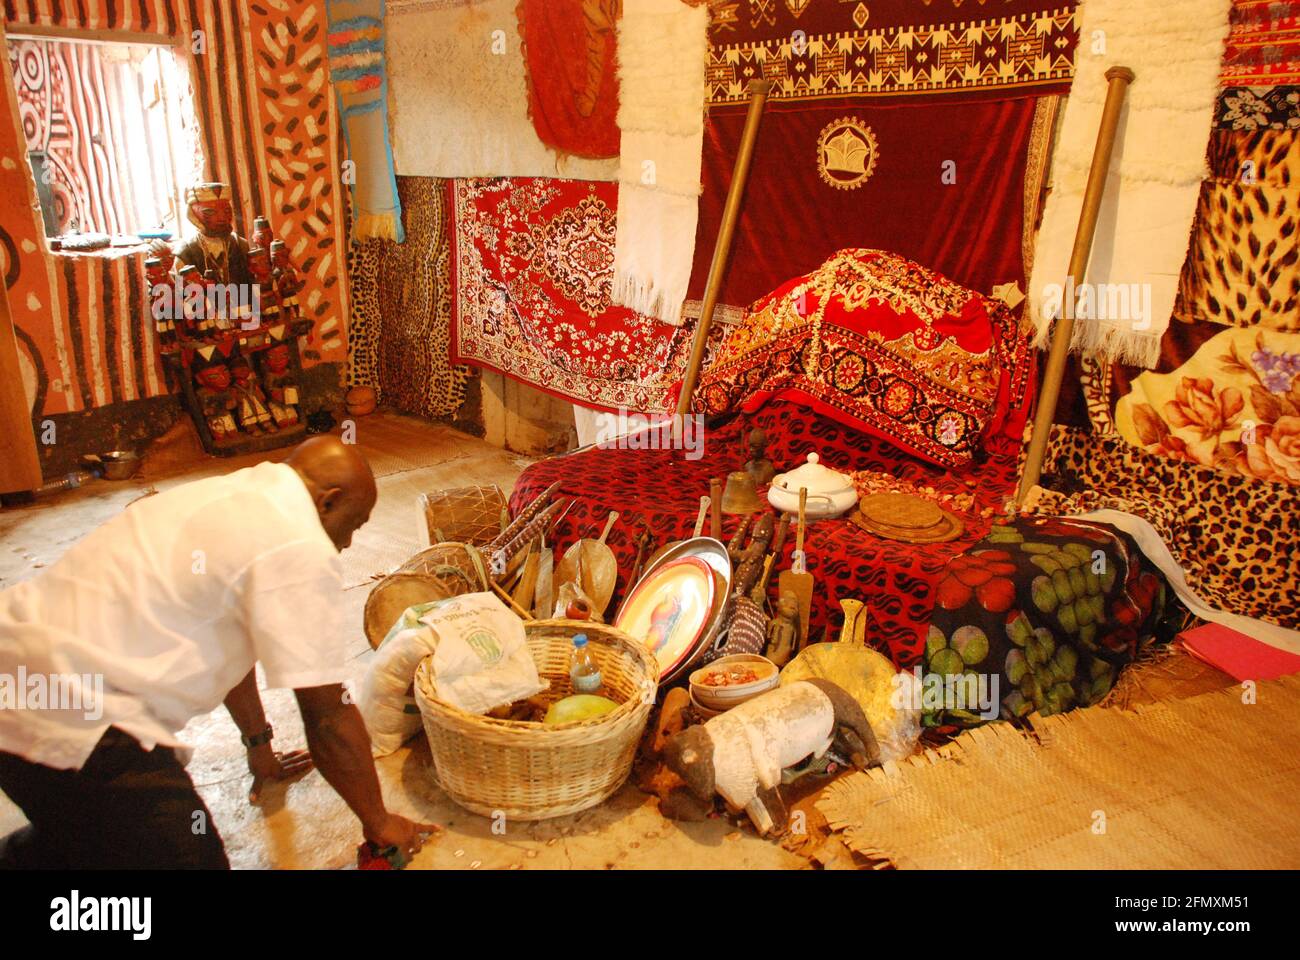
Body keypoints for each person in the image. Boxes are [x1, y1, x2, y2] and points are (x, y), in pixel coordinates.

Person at [0, 436, 437, 868]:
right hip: (79, 709)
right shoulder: (300, 544)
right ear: (328, 502)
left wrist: (258, 744)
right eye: (355, 525)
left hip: (16, 673)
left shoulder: (236, 492)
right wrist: (378, 822)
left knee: (81, 834)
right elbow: (327, 715)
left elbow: (231, 637)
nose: (348, 545)